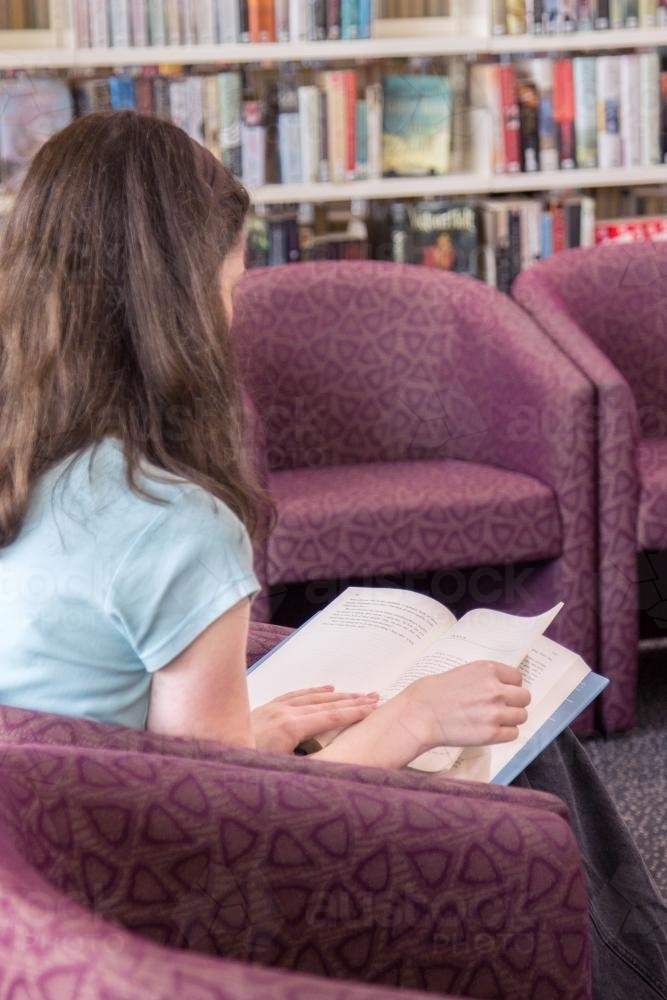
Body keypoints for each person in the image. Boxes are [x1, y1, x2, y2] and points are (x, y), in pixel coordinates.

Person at [0, 111, 664, 997]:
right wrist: (411, 719)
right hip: (161, 883)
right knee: (526, 752)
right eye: (231, 289)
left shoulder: (24, 458)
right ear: (183, 299)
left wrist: (243, 737)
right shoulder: (173, 518)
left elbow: (114, 712)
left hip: (53, 851)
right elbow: (220, 819)